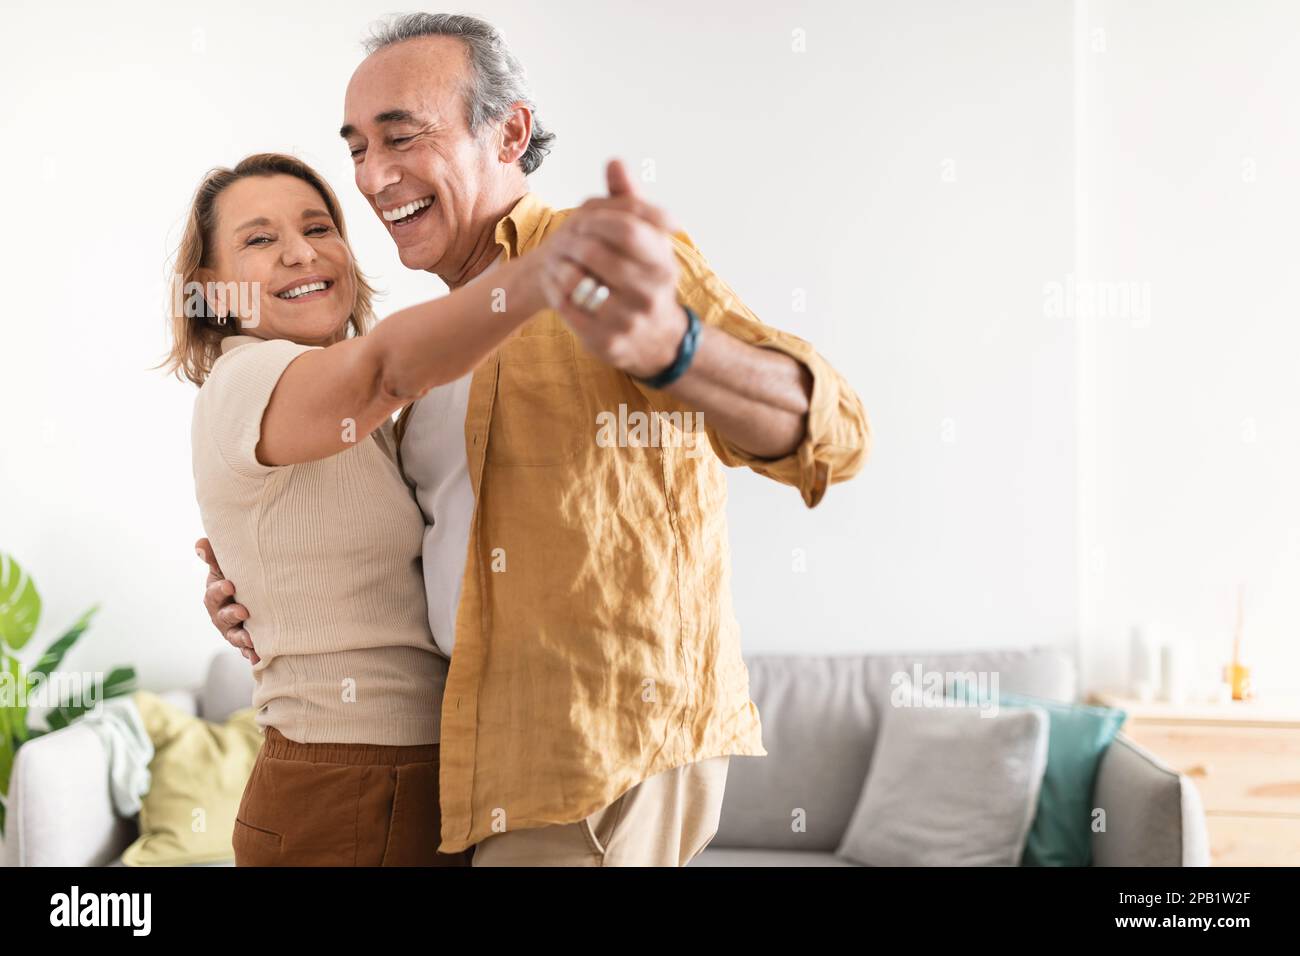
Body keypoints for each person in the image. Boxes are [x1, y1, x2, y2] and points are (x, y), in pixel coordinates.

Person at [199, 12, 871, 867]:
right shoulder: (440, 338)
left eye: (401, 137)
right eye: (359, 147)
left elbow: (833, 434)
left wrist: (678, 352)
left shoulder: (602, 261)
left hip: (593, 751)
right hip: (480, 760)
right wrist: (267, 585)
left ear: (509, 129)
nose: (373, 176)